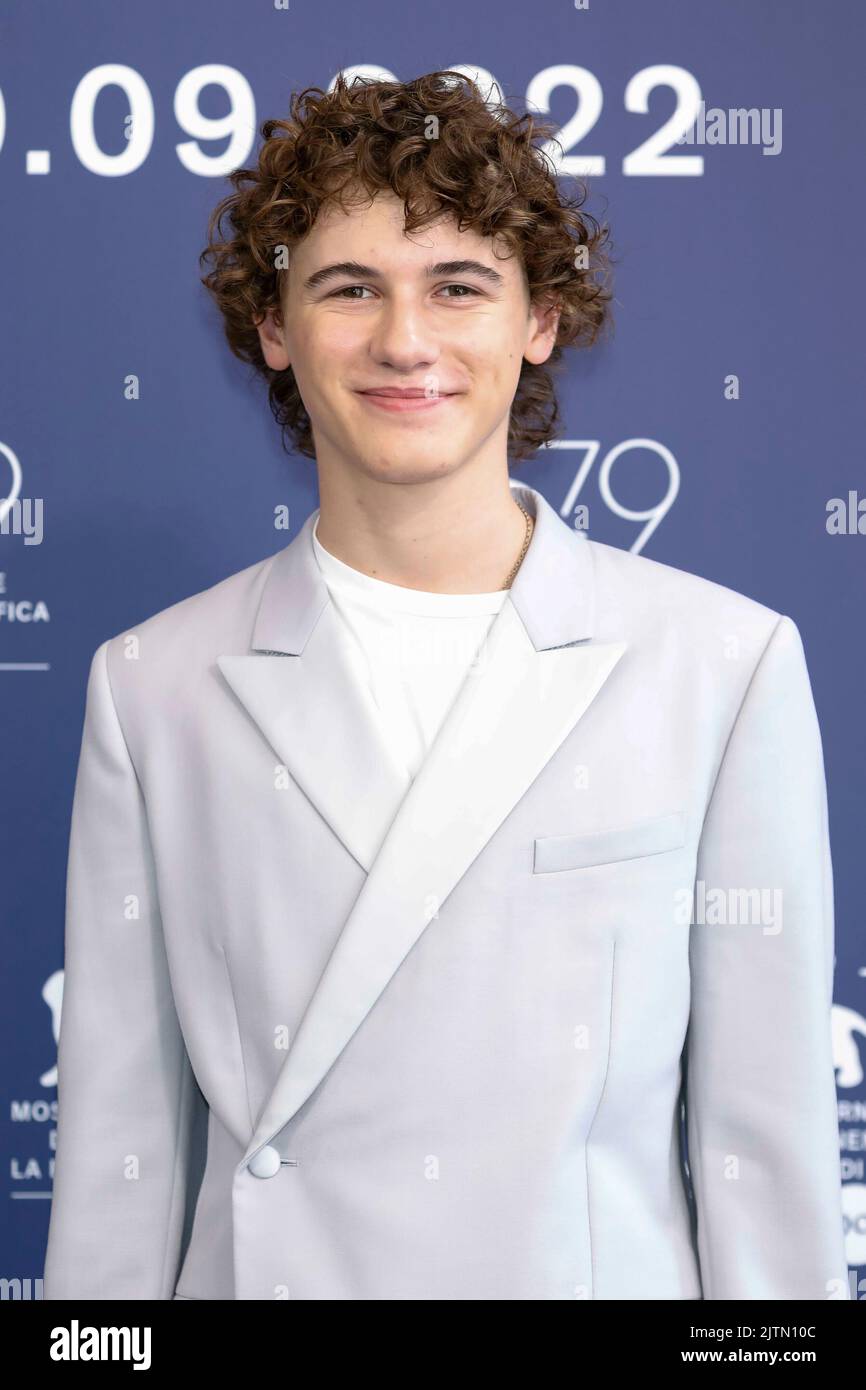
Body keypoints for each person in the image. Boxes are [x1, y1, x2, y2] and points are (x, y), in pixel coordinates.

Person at [43, 70, 848, 1301]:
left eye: (457, 287)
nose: (404, 341)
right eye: (348, 287)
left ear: (538, 321)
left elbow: (761, 1156)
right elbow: (118, 1164)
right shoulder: (153, 690)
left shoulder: (720, 668)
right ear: (274, 326)